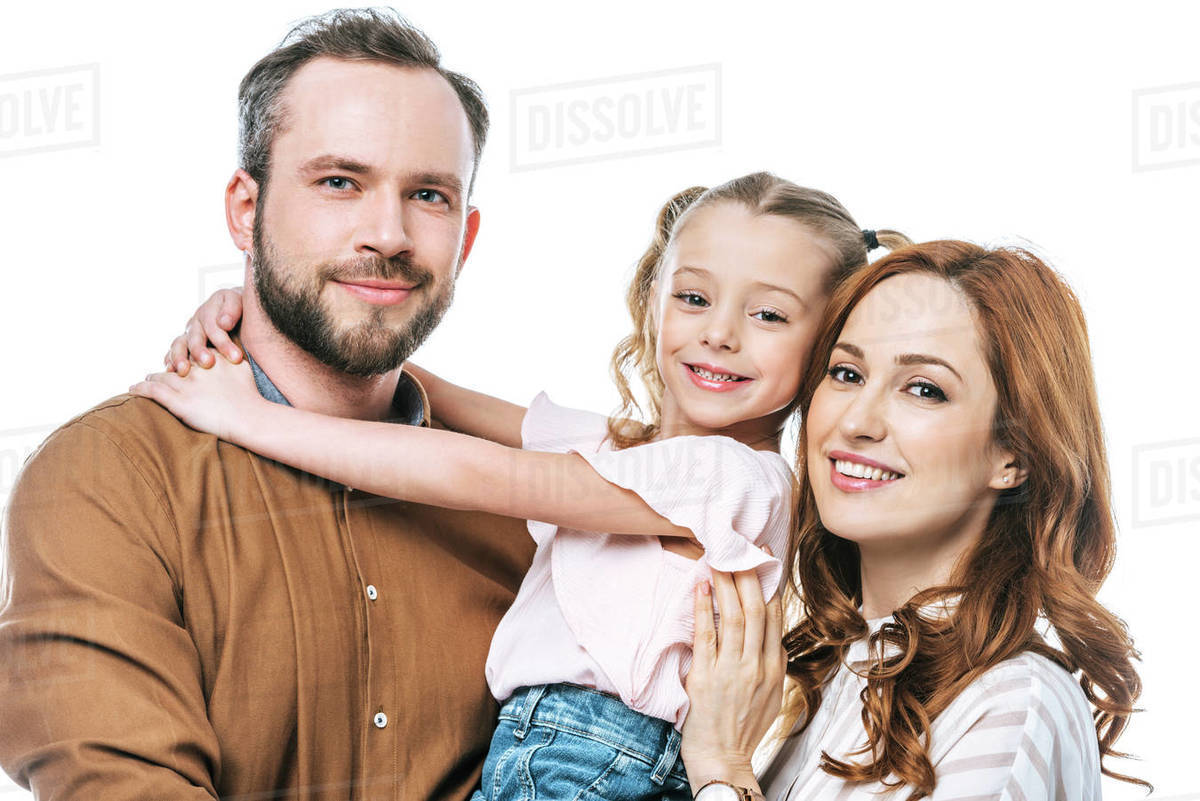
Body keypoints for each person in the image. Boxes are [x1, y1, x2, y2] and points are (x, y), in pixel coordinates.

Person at [137, 173, 909, 800]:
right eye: (694, 297)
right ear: (654, 298)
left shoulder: (730, 476)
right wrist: (263, 321)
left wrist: (250, 419)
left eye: (768, 314)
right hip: (559, 751)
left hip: (590, 757)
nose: (720, 332)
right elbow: (428, 393)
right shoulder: (632, 453)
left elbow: (475, 471)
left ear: (825, 345)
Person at [0, 9, 538, 800]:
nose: (388, 234)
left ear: (468, 235)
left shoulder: (535, 505)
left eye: (428, 194)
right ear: (245, 211)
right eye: (339, 182)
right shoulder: (107, 481)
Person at [677, 241, 1146, 799]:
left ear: (1014, 454)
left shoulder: (1014, 701)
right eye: (847, 373)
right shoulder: (830, 672)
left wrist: (722, 767)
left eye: (924, 389)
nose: (857, 421)